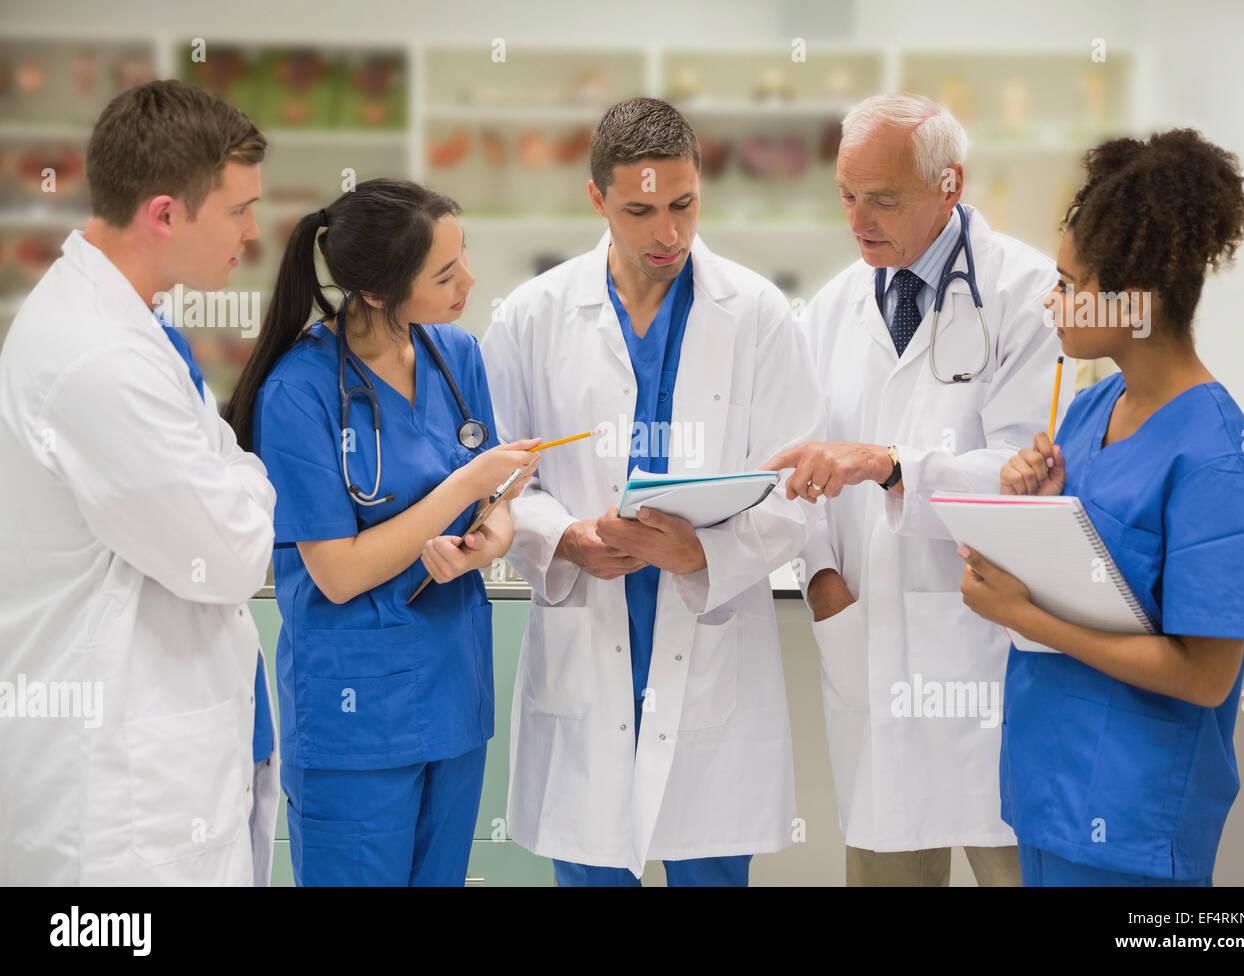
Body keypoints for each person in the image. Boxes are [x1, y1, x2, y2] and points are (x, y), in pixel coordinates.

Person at [481, 97, 825, 886]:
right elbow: (499, 478)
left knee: (709, 867)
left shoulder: (760, 316)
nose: (667, 233)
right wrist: (562, 536)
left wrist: (703, 549)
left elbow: (799, 489)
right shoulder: (535, 316)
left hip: (709, 631)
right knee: (593, 865)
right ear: (597, 198)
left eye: (683, 204)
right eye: (639, 210)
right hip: (586, 627)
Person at [763, 93, 1071, 886]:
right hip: (865, 640)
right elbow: (800, 464)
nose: (858, 219)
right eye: (846, 194)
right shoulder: (829, 310)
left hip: (987, 650)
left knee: (1016, 866)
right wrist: (823, 579)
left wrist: (898, 466)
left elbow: (1026, 476)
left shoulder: (1027, 295)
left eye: (883, 199)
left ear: (950, 184)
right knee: (886, 868)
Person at [957, 130, 1244, 886]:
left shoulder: (1216, 461)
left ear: (1136, 298)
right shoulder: (1090, 408)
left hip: (1134, 827)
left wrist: (1023, 614)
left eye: (1069, 285)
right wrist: (1029, 510)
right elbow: (1083, 572)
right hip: (1046, 792)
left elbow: (1205, 678)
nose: (1050, 300)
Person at [0, 80, 278, 884]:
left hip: (160, 766)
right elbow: (231, 553)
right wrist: (243, 479)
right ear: (164, 213)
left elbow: (219, 483)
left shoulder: (131, 323)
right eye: (236, 210)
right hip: (118, 808)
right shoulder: (100, 358)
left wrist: (229, 475)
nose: (252, 234)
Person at [223, 179, 538, 886]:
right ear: (375, 293)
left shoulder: (456, 357)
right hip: (355, 721)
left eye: (465, 259)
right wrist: (464, 486)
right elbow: (338, 572)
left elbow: (495, 498)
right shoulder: (299, 392)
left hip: (453, 701)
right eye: (445, 273)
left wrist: (495, 535)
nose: (469, 280)